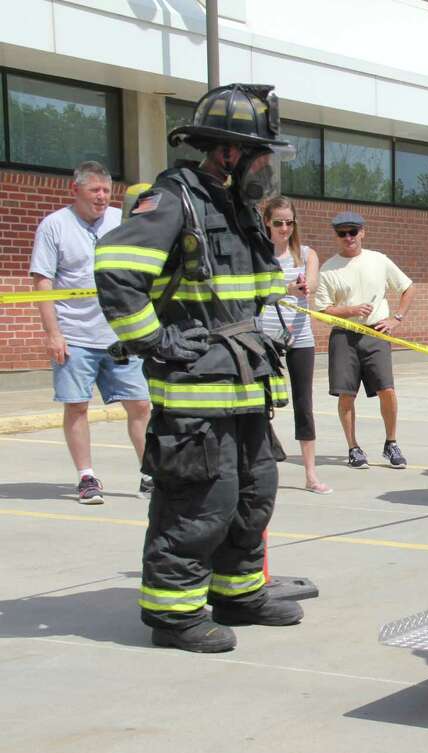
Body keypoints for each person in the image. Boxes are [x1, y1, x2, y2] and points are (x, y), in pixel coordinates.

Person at [95, 83, 303, 653]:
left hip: (244, 383)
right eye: (261, 154)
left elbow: (253, 292)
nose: (267, 168)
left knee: (253, 494)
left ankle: (237, 594)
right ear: (229, 152)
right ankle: (175, 615)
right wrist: (154, 341)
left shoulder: (236, 207)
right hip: (195, 390)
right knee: (199, 503)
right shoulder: (174, 200)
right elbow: (116, 270)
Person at [29, 161, 152, 505]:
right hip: (75, 334)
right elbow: (42, 282)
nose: (101, 197)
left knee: (141, 405)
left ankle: (150, 474)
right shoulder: (54, 226)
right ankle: (86, 477)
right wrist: (53, 333)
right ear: (76, 190)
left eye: (105, 190)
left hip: (119, 335)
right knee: (77, 407)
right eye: (94, 190)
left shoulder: (120, 222)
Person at [312, 211, 415, 470]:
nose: (348, 238)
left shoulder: (378, 260)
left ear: (363, 232)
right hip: (344, 337)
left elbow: (408, 287)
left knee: (387, 390)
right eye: (342, 233)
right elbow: (322, 310)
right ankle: (353, 447)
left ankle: (391, 443)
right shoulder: (328, 269)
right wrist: (350, 310)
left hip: (375, 334)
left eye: (353, 232)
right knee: (346, 395)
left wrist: (396, 318)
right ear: (336, 236)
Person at [259, 196, 329, 494]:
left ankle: (310, 473)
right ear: (267, 223)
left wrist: (303, 287)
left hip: (299, 337)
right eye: (278, 223)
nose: (284, 228)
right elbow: (253, 290)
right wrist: (283, 289)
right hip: (264, 336)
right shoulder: (258, 254)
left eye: (289, 222)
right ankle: (262, 460)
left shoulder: (306, 253)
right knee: (259, 401)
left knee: (304, 402)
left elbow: (311, 284)